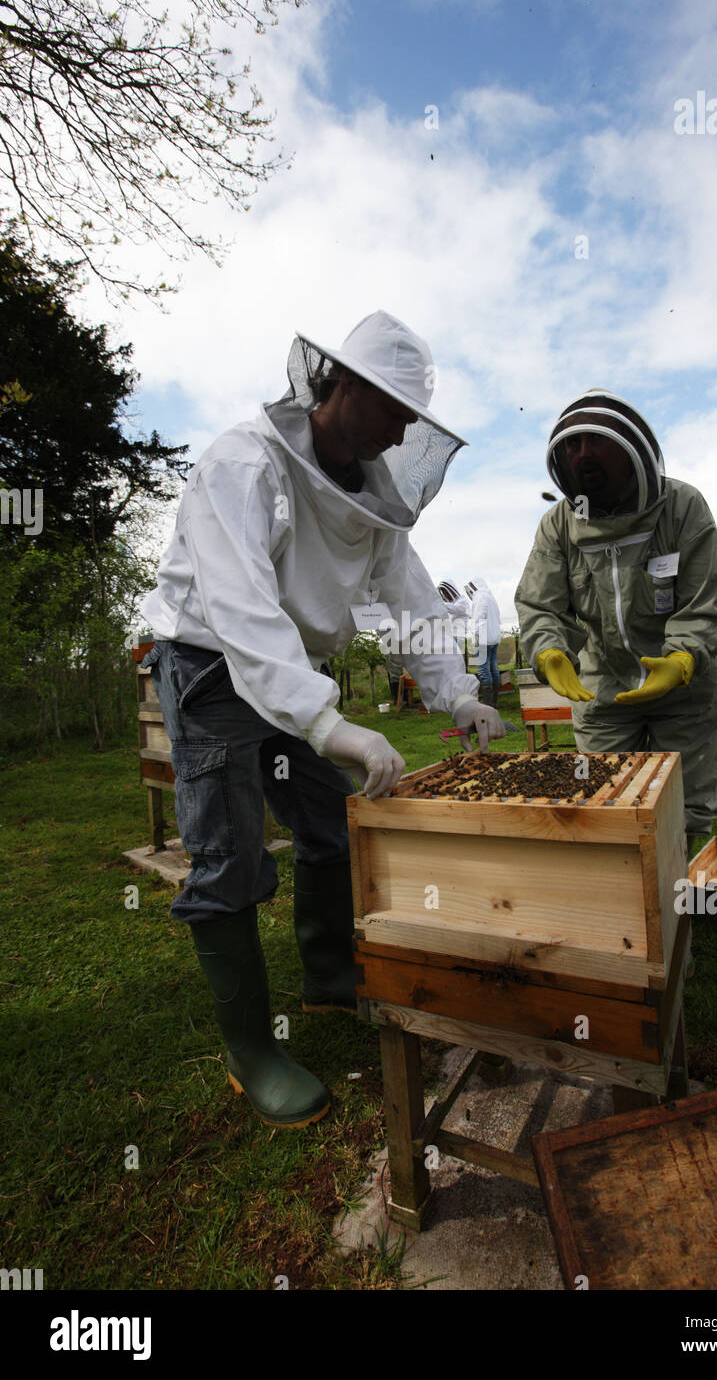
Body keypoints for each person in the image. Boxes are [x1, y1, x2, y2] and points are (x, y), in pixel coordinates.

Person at [138, 311, 506, 1129]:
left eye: (414, 415)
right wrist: (328, 723)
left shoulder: (373, 495)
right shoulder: (244, 461)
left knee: (334, 827)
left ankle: (330, 975)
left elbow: (410, 603)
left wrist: (458, 693)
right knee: (228, 857)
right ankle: (251, 1053)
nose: (404, 426)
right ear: (340, 386)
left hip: (286, 671)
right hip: (209, 665)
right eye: (394, 407)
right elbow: (240, 608)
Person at [515, 390, 717, 851]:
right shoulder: (559, 523)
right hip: (605, 688)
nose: (583, 454)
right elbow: (540, 603)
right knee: (605, 799)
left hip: (688, 689)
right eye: (572, 446)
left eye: (596, 440)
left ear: (634, 448)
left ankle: (679, 905)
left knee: (684, 805)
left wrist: (681, 659)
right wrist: (547, 649)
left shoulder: (682, 506)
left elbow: (706, 599)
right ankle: (625, 906)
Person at [465, 577, 502, 706]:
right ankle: (493, 700)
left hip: (483, 638)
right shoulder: (491, 597)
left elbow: (478, 618)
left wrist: (476, 636)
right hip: (494, 638)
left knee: (483, 670)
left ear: (475, 586)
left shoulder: (479, 597)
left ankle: (487, 702)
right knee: (493, 668)